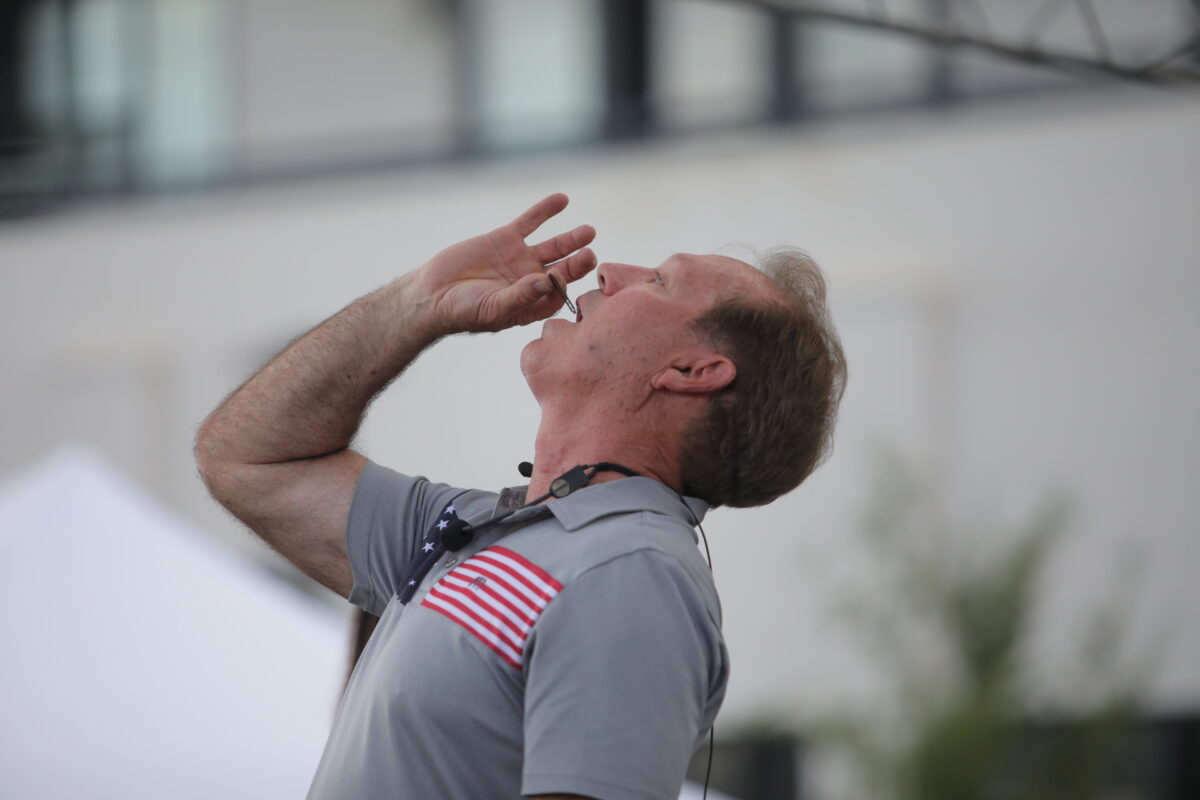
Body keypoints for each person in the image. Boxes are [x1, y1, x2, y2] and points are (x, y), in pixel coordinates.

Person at [195, 193, 846, 799]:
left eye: (658, 281)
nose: (609, 272)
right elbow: (244, 456)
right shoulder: (467, 526)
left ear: (691, 372)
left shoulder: (629, 571)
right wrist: (419, 303)